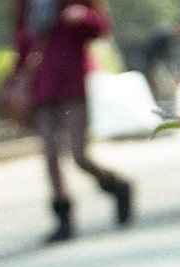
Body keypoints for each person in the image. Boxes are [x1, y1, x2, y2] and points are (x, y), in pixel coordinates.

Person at [13, 0, 135, 243]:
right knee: (50, 155)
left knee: (79, 155)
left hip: (74, 83)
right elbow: (21, 42)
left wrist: (84, 16)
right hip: (42, 86)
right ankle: (63, 220)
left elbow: (101, 29)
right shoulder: (27, 4)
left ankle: (117, 185)